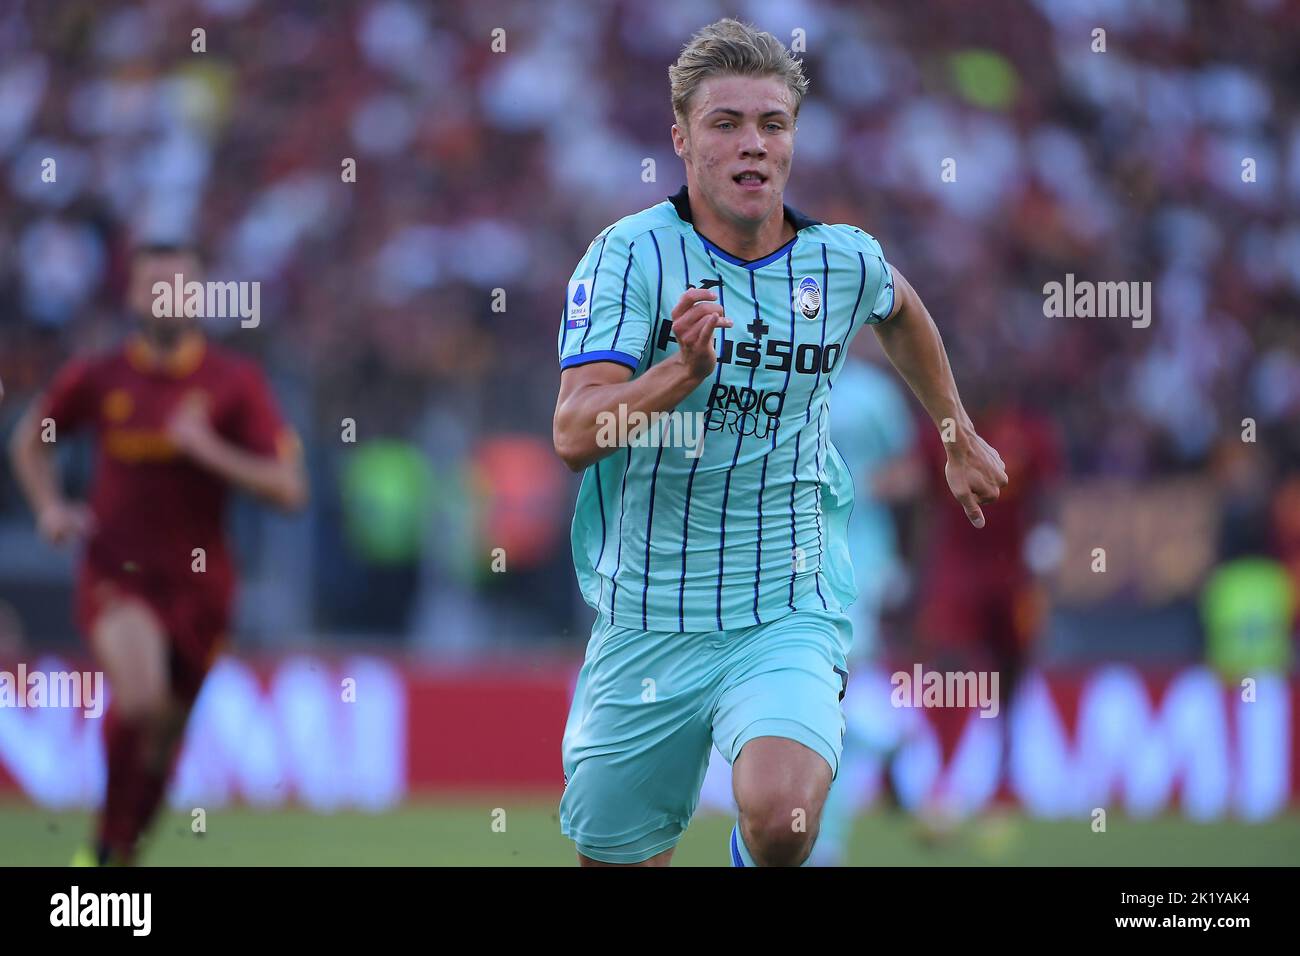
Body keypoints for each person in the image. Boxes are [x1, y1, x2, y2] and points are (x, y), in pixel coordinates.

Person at [551, 18, 1006, 867]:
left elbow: (900, 307)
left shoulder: (840, 261)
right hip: (648, 615)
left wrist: (955, 431)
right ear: (681, 139)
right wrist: (676, 378)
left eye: (773, 124)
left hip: (786, 604)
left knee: (782, 819)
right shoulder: (629, 258)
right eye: (726, 124)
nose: (753, 144)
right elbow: (577, 434)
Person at [8, 243, 307, 865]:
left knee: (162, 743)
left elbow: (288, 488)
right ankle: (99, 852)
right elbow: (31, 440)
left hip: (202, 588)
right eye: (155, 285)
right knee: (140, 700)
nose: (168, 297)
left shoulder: (234, 382)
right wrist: (50, 509)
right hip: (117, 572)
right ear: (134, 297)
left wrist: (206, 448)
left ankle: (119, 858)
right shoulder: (100, 375)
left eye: (181, 285)